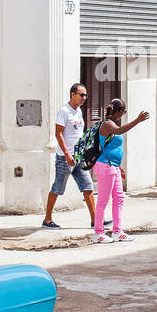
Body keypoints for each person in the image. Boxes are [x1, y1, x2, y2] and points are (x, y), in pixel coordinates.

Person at [91, 99, 150, 243]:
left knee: (119, 198)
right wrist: (137, 120)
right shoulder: (107, 124)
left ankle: (117, 231)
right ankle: (98, 233)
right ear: (118, 112)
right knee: (103, 200)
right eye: (123, 112)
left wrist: (119, 167)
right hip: (105, 166)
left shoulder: (112, 124)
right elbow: (119, 131)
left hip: (114, 166)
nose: (123, 115)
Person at [43, 83, 96, 230]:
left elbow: (78, 133)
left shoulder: (78, 111)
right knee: (57, 187)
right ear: (73, 94)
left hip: (79, 157)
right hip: (65, 158)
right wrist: (67, 154)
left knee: (88, 186)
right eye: (81, 94)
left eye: (85, 95)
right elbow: (58, 133)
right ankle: (47, 219)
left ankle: (95, 220)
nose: (84, 98)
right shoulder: (64, 111)